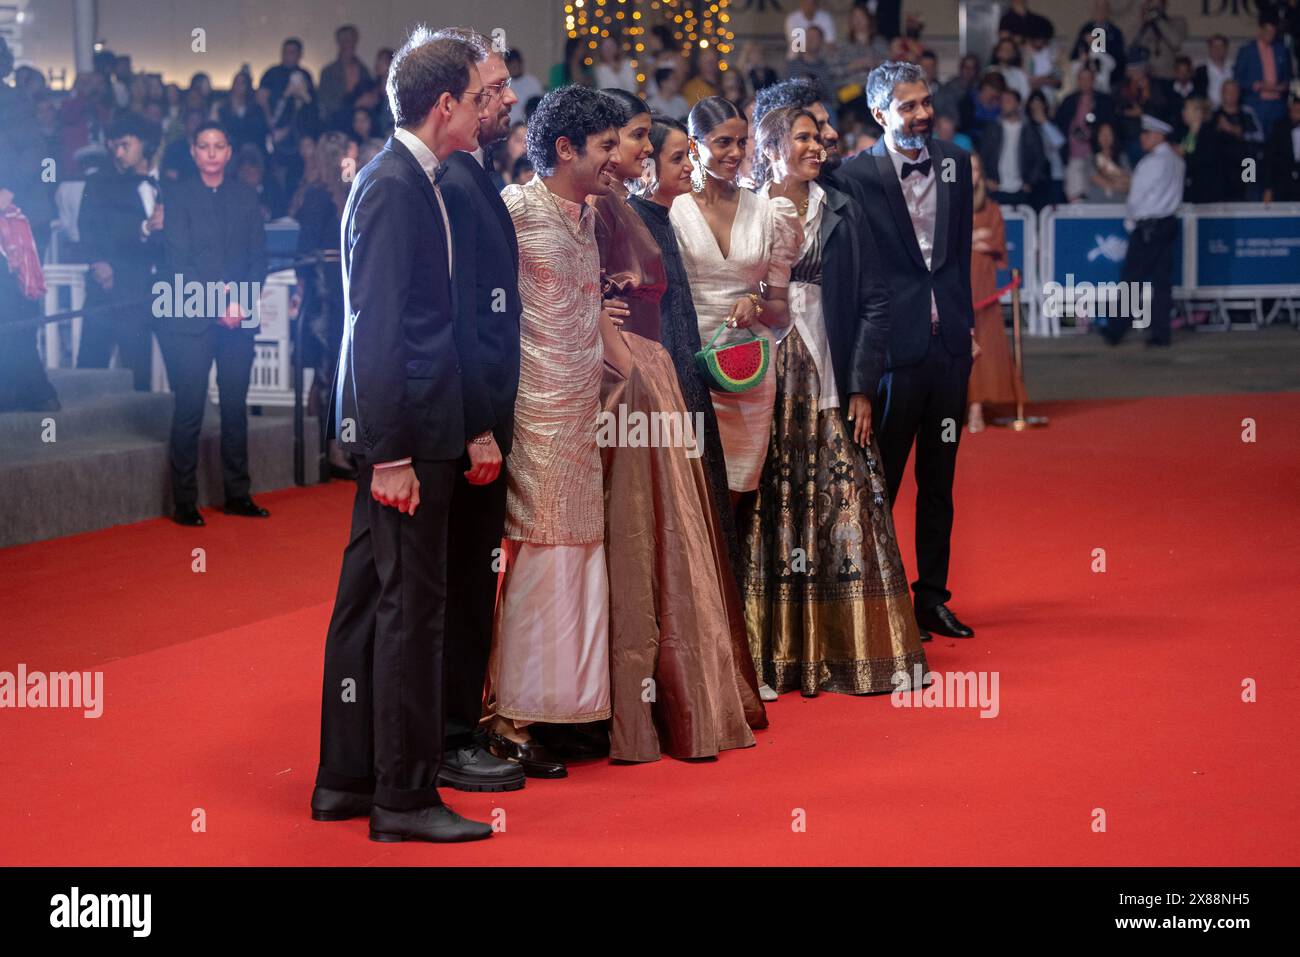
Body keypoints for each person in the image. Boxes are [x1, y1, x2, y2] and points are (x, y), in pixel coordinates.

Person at [312, 28, 494, 844]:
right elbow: (376, 325)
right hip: (407, 434)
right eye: (480, 92)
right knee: (411, 614)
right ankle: (404, 796)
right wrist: (388, 452)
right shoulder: (394, 184)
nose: (494, 104)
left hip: (410, 425)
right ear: (446, 104)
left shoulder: (412, 177)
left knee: (365, 605)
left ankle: (345, 779)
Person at [593, 90, 764, 761]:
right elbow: (625, 314)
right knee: (664, 540)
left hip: (681, 383)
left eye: (692, 156)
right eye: (677, 155)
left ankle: (711, 684)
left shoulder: (660, 217)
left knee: (701, 532)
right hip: (648, 392)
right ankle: (665, 697)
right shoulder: (629, 215)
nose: (690, 167)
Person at [745, 104, 928, 695]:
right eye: (801, 138)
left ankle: (855, 652)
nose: (817, 146)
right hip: (759, 380)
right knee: (769, 508)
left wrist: (861, 387)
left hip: (829, 375)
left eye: (818, 138)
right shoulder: (743, 208)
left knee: (848, 500)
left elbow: (876, 303)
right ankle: (770, 658)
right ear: (771, 147)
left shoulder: (843, 210)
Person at [482, 86, 624, 779]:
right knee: (539, 555)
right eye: (604, 147)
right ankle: (508, 715)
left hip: (580, 412)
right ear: (564, 149)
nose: (615, 159)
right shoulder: (514, 210)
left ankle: (564, 710)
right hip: (532, 411)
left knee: (578, 551)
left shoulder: (589, 217)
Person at [837, 61, 977, 642]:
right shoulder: (851, 177)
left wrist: (966, 327)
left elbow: (959, 253)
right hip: (892, 353)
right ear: (878, 114)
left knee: (939, 482)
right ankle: (881, 602)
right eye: (908, 106)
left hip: (948, 351)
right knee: (883, 484)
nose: (922, 114)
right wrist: (859, 375)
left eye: (926, 102)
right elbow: (850, 277)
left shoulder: (954, 162)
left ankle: (932, 598)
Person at [671, 97, 800, 700]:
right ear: (695, 146)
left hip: (749, 376)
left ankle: (741, 660)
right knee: (695, 512)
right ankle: (700, 661)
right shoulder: (670, 211)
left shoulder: (770, 212)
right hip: (685, 370)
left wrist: (758, 305)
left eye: (741, 142)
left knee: (741, 511)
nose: (733, 153)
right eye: (721, 142)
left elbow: (781, 308)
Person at [430, 28, 527, 793]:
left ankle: (459, 726)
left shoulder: (472, 176)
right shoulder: (457, 184)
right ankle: (451, 735)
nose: (505, 100)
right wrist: (479, 427)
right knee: (463, 582)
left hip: (484, 412)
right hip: (473, 421)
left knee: (470, 580)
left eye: (502, 90)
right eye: (491, 91)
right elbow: (463, 320)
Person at [157, 121, 268, 526]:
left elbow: (259, 257)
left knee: (234, 408)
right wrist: (219, 301)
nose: (211, 152)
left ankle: (238, 494)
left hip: (238, 318)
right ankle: (185, 502)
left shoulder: (246, 196)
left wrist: (240, 301)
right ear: (193, 151)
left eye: (218, 145)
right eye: (203, 145)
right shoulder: (179, 195)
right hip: (192, 317)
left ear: (229, 152)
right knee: (189, 408)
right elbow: (177, 260)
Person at [76, 113, 164, 392]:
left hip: (157, 287)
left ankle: (149, 426)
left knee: (142, 370)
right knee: (92, 366)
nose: (118, 152)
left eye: (125, 145)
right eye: (114, 146)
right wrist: (98, 262)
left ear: (145, 145)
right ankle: (77, 429)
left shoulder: (168, 183)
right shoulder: (100, 182)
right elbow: (88, 228)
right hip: (112, 283)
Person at [1105, 113, 1183, 348]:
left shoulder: (1151, 163)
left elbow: (1137, 198)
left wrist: (1131, 223)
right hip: (1168, 223)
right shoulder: (1177, 161)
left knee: (1132, 278)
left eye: (1147, 133)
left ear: (1158, 136)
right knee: (1161, 281)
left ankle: (1117, 328)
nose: (1142, 138)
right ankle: (1161, 333)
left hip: (1147, 227)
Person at [966, 153, 1025, 433]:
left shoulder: (991, 208)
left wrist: (977, 240)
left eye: (976, 168)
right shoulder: (945, 205)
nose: (971, 174)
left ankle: (977, 405)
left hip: (984, 283)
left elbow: (997, 244)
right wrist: (973, 238)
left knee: (985, 342)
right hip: (956, 284)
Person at [979, 88, 1047, 207]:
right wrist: (986, 179)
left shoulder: (1030, 130)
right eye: (1003, 101)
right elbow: (982, 157)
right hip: (997, 188)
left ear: (1018, 104)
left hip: (1021, 189)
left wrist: (1030, 183)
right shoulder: (992, 129)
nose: (1005, 104)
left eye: (1009, 100)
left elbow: (1039, 158)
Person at [1233, 12, 1293, 138]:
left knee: (1276, 144)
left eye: (1272, 32)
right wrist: (1257, 85)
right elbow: (1238, 79)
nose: (1269, 35)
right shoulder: (1247, 51)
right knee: (1255, 143)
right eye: (1267, 31)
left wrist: (1282, 86)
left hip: (1277, 105)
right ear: (1260, 30)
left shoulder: (1282, 50)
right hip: (1255, 105)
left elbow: (1288, 76)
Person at [318, 25, 373, 124]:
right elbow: (326, 101)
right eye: (345, 40)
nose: (348, 44)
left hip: (361, 120)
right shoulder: (328, 72)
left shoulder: (363, 69)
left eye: (351, 40)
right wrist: (353, 106)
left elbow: (370, 93)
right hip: (336, 120)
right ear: (339, 42)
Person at [1262, 94, 1300, 203]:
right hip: (1283, 184)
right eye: (1295, 109)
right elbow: (1270, 160)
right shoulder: (1279, 128)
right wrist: (1268, 189)